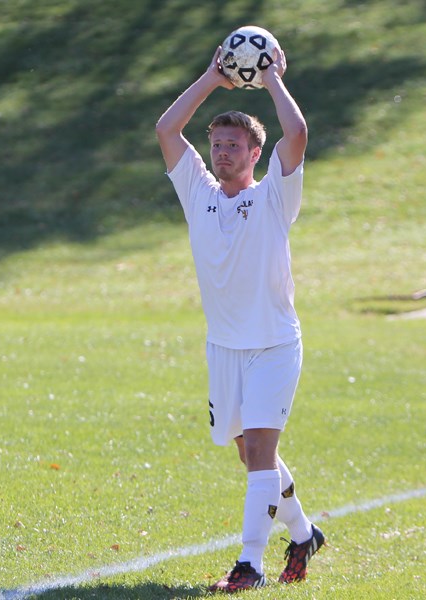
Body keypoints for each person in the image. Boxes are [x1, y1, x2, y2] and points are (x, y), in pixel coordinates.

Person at [155, 45, 325, 593]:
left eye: (235, 145)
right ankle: (303, 534)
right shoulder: (198, 192)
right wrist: (212, 77)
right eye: (218, 144)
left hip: (274, 344)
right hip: (224, 347)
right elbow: (166, 128)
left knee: (259, 453)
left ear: (256, 154)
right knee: (251, 451)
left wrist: (272, 78)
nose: (223, 151)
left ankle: (248, 564)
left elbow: (295, 133)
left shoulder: (276, 196)